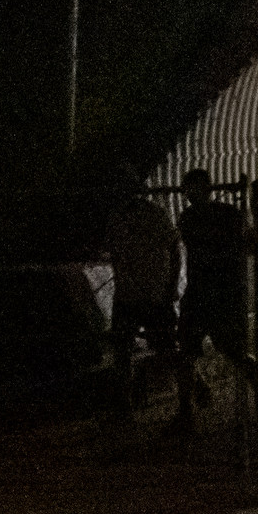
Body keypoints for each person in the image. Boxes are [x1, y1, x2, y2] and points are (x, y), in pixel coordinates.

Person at [171, 170, 258, 435]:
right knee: (188, 351)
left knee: (229, 349)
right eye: (188, 190)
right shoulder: (210, 216)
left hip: (216, 292)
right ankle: (186, 410)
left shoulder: (212, 216)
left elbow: (242, 242)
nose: (189, 195)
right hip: (206, 291)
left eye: (193, 189)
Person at [100, 172, 179, 419]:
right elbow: (173, 249)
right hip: (134, 293)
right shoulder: (123, 217)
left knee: (159, 347)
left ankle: (192, 389)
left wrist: (170, 286)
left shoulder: (149, 215)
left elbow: (173, 249)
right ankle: (124, 404)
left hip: (146, 292)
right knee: (127, 348)